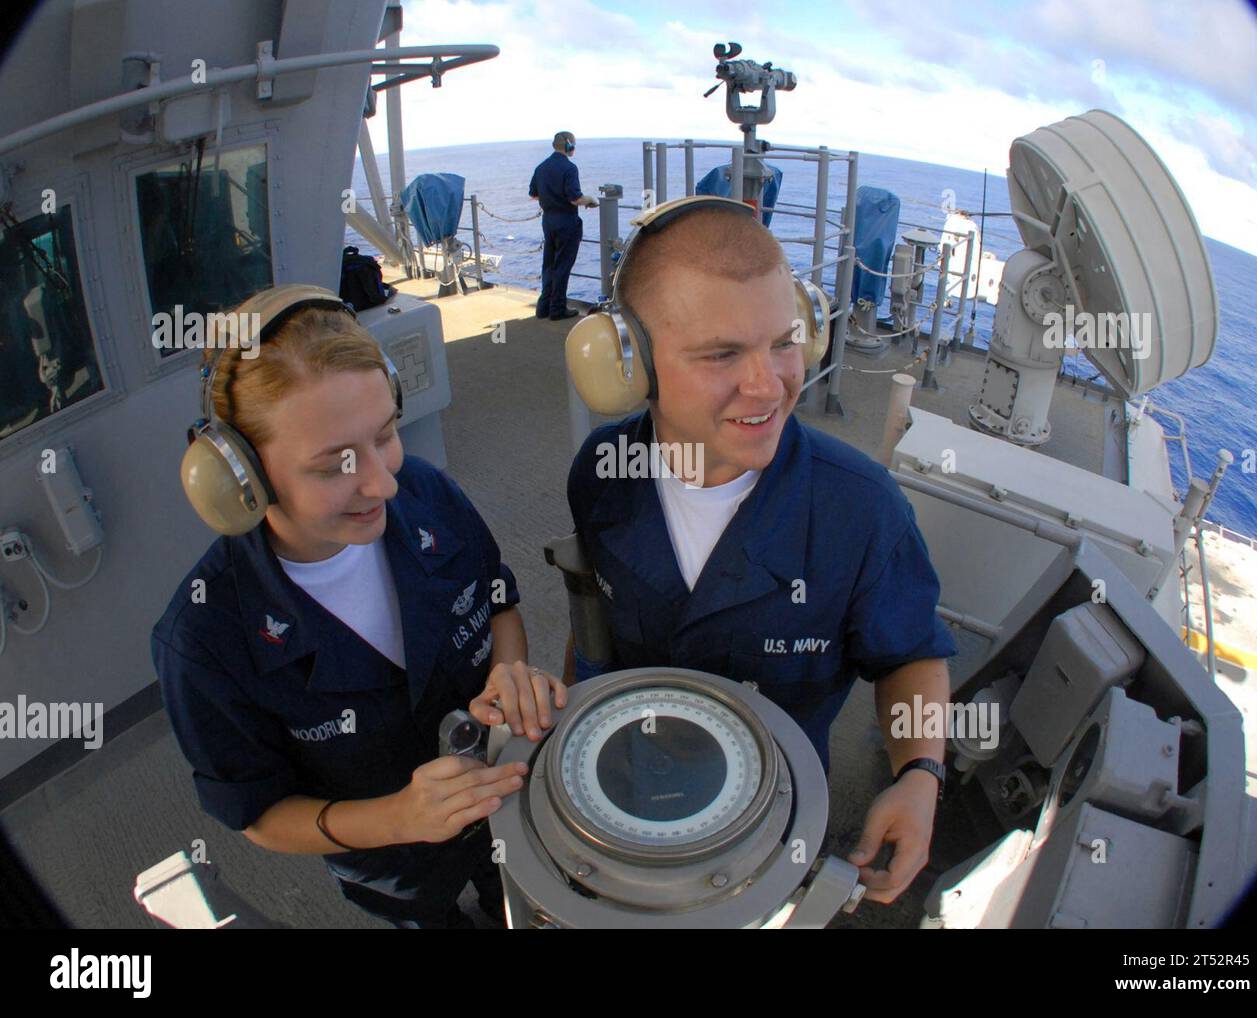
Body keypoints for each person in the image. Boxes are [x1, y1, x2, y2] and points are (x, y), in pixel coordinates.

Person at [562, 197, 958, 907]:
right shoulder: (601, 473)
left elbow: (910, 655)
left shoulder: (860, 510)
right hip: (619, 796)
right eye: (721, 355)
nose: (769, 384)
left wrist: (920, 775)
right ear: (630, 364)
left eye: (784, 341)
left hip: (772, 830)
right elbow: (589, 615)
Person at [151, 285, 565, 929]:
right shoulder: (204, 638)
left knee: (512, 885)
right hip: (388, 861)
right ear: (240, 477)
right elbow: (260, 814)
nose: (384, 481)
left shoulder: (428, 493)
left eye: (387, 434)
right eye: (335, 464)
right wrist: (398, 818)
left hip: (501, 797)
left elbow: (498, 605)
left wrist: (507, 673)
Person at [528, 130, 597, 321]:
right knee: (563, 265)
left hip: (548, 221)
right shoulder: (569, 168)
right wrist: (591, 200)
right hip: (566, 221)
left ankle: (544, 307)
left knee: (549, 264)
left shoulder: (541, 167)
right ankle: (557, 308)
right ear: (569, 146)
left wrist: (551, 197)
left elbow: (533, 195)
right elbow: (575, 198)